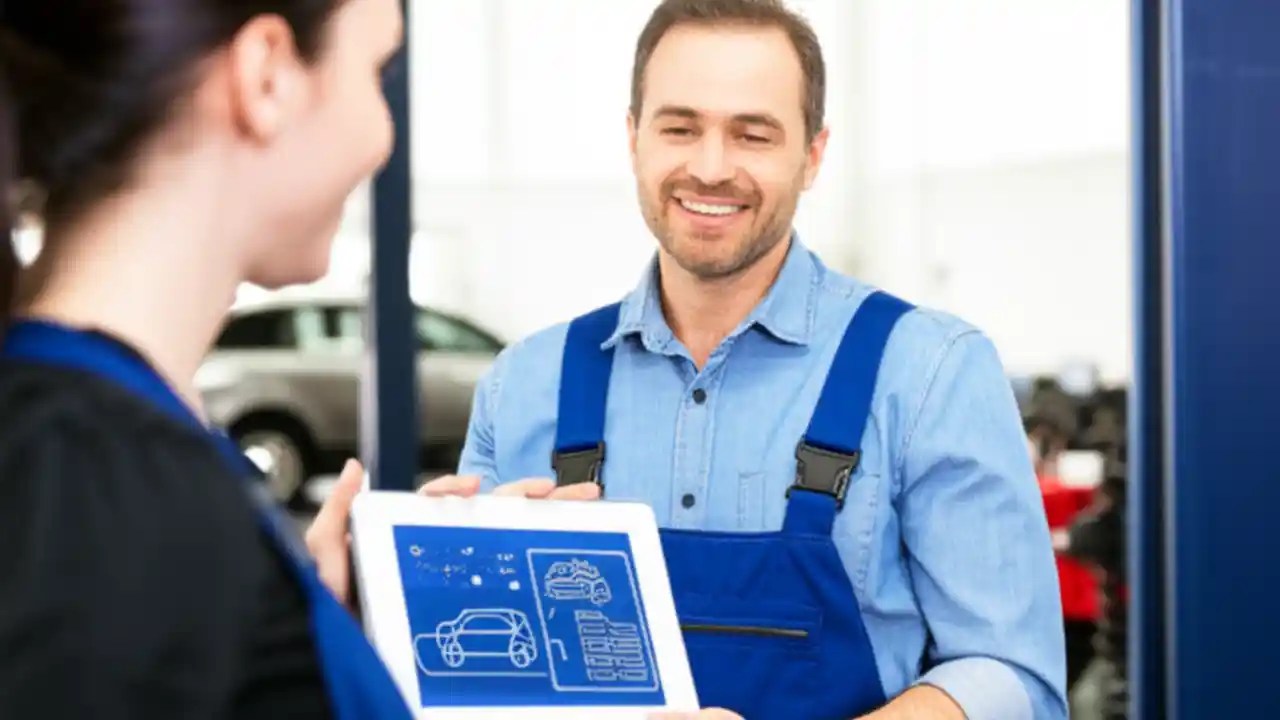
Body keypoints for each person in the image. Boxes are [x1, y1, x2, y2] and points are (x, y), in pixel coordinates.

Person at [425, 1, 1069, 718]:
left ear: (812, 156)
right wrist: (427, 584)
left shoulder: (930, 374)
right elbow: (476, 683)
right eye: (680, 127)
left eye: (752, 134)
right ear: (634, 137)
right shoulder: (523, 386)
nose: (710, 167)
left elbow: (1012, 680)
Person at [0, 1, 414, 717]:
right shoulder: (100, 476)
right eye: (376, 71)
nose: (383, 137)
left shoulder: (100, 459)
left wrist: (294, 626)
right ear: (267, 75)